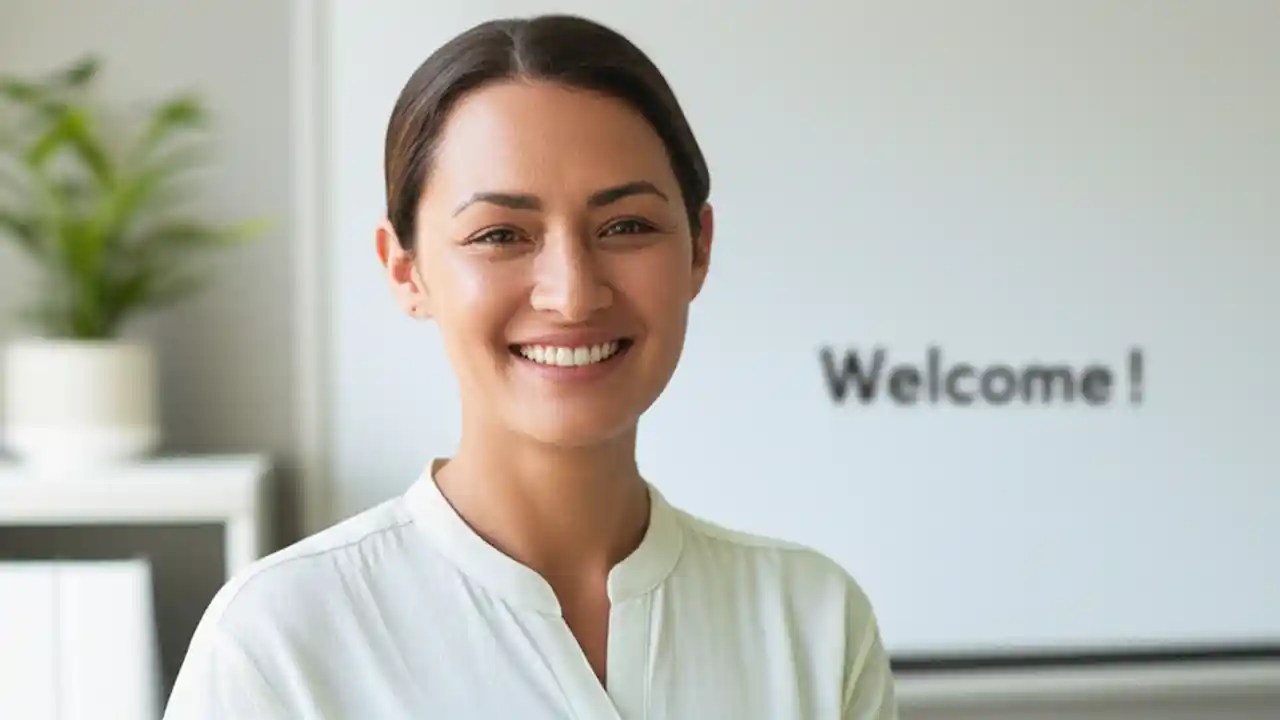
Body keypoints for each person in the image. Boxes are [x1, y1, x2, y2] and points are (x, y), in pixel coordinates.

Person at [165, 13, 896, 719]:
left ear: (699, 249)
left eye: (626, 227)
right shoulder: (279, 642)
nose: (573, 293)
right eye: (500, 235)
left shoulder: (812, 621)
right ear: (405, 270)